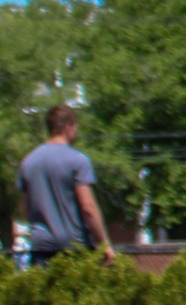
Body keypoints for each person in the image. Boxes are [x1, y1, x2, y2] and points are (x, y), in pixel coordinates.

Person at [16, 104, 116, 266]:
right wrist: (104, 243)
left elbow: (24, 209)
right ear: (68, 127)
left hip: (40, 247)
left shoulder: (28, 162)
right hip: (74, 248)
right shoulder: (77, 160)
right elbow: (87, 207)